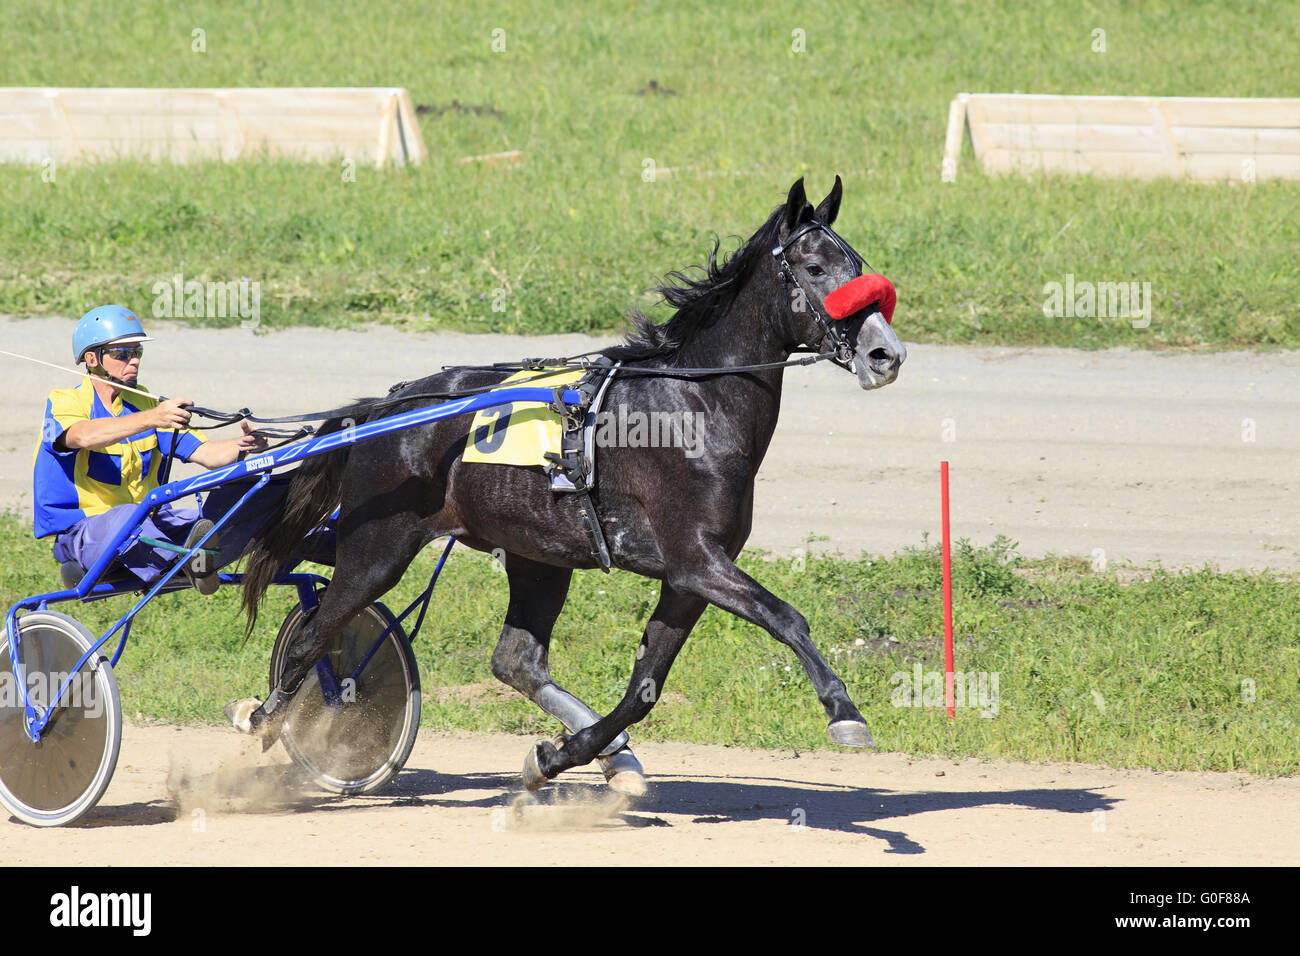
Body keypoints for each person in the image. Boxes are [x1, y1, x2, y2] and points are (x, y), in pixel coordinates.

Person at [33, 305, 268, 593]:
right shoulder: (65, 401)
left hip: (145, 522)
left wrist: (243, 446)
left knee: (226, 506)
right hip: (84, 533)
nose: (134, 361)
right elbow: (82, 436)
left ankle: (202, 558)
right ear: (92, 358)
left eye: (137, 352)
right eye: (122, 354)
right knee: (127, 515)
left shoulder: (145, 404)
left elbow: (208, 455)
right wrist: (152, 418)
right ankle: (186, 562)